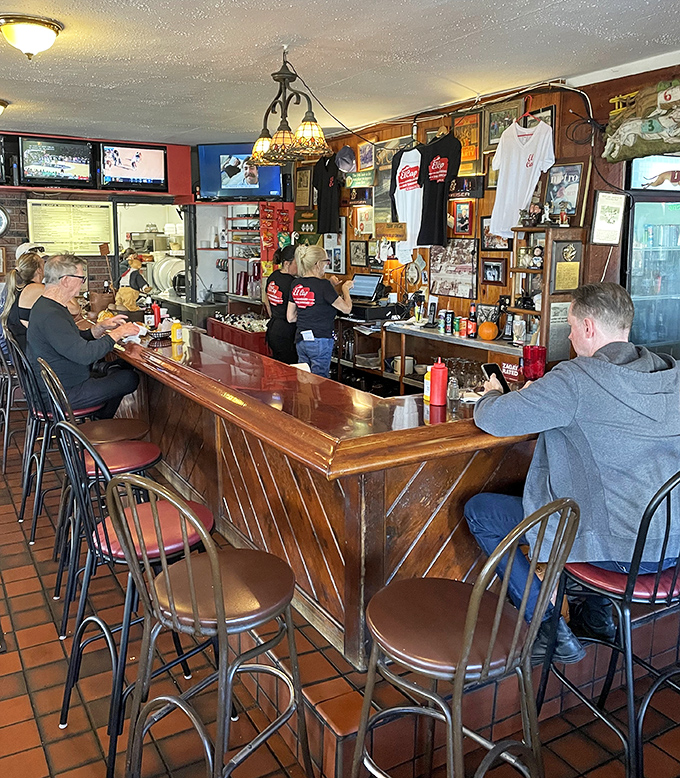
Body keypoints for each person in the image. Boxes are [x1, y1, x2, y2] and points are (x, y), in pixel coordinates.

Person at [464, 283, 680, 664]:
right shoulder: (671, 374)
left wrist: (492, 393)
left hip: (620, 552)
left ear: (590, 327)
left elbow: (494, 418)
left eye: (572, 326)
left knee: (482, 511)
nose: (570, 335)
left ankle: (546, 628)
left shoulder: (576, 380)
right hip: (670, 545)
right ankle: (595, 618)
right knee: (594, 494)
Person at [27, 254, 141, 419]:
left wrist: (98, 329)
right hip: (61, 394)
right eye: (81, 278)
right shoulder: (51, 315)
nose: (82, 282)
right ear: (65, 280)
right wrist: (118, 333)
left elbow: (69, 340)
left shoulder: (46, 306)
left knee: (120, 367)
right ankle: (97, 427)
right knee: (128, 378)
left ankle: (97, 425)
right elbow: (84, 355)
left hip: (58, 386)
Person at [286, 245, 353, 377]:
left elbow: (290, 317)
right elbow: (346, 309)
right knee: (320, 381)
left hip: (301, 340)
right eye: (326, 262)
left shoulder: (296, 284)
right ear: (317, 264)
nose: (327, 265)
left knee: (304, 378)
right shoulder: (324, 286)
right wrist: (345, 289)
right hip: (320, 339)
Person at [0, 251, 44, 352]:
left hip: (12, 351)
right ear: (39, 270)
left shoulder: (14, 288)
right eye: (44, 264)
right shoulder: (34, 289)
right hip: (27, 353)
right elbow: (73, 308)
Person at [264, 245, 298, 364]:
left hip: (273, 328)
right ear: (287, 263)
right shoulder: (292, 283)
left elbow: (266, 301)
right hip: (287, 332)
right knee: (290, 368)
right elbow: (292, 314)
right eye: (297, 263)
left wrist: (275, 314)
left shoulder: (273, 276)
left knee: (278, 367)